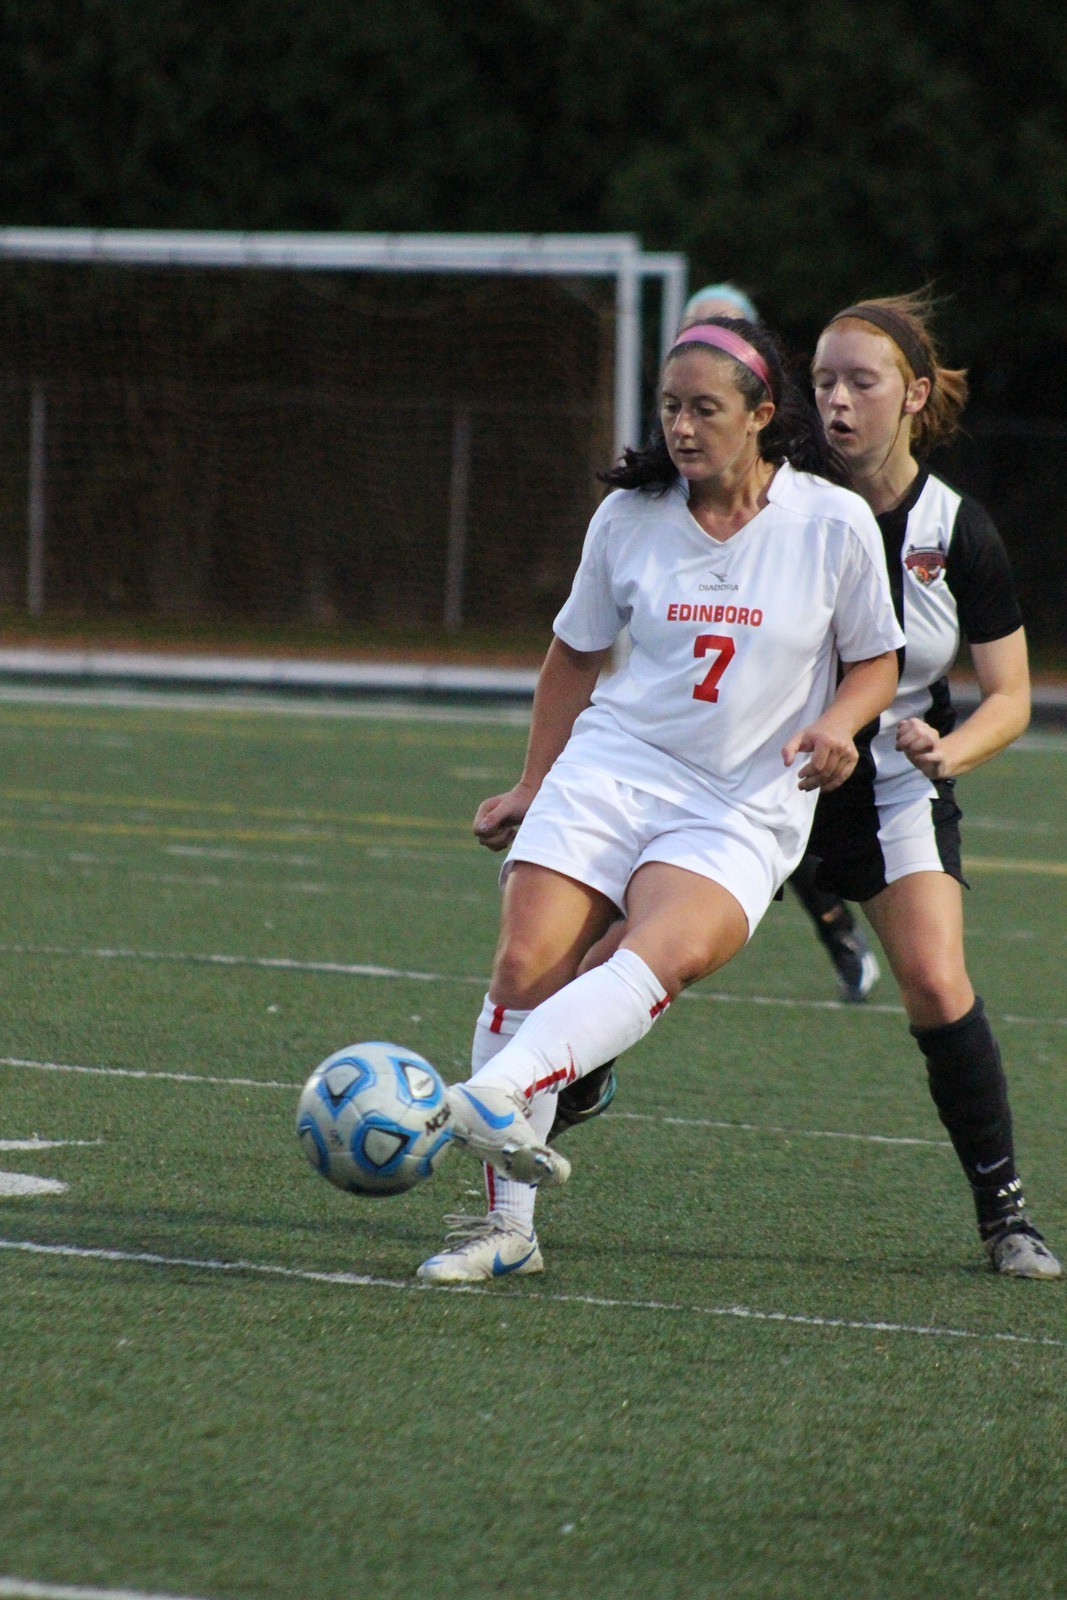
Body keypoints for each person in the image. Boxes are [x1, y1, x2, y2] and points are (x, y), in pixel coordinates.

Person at [416, 315, 904, 1282]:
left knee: (660, 954)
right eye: (671, 408)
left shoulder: (830, 522)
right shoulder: (628, 516)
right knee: (524, 964)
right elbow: (573, 655)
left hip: (741, 805)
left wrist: (840, 726)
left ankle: (496, 1090)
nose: (683, 427)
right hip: (614, 765)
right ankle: (505, 1230)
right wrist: (533, 782)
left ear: (763, 415)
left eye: (706, 409)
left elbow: (875, 661)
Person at [805, 292, 1061, 1279]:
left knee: (933, 979)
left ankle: (1005, 1217)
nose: (834, 400)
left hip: (892, 784)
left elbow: (1006, 695)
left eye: (858, 382)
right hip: (762, 779)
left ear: (911, 395)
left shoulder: (959, 530)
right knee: (640, 959)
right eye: (821, 380)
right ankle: (524, 1149)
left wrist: (944, 756)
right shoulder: (775, 498)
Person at [680, 281, 881, 1006]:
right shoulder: (668, 468)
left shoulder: (795, 462)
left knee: (789, 822)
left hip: (776, 682)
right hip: (688, 699)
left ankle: (841, 938)